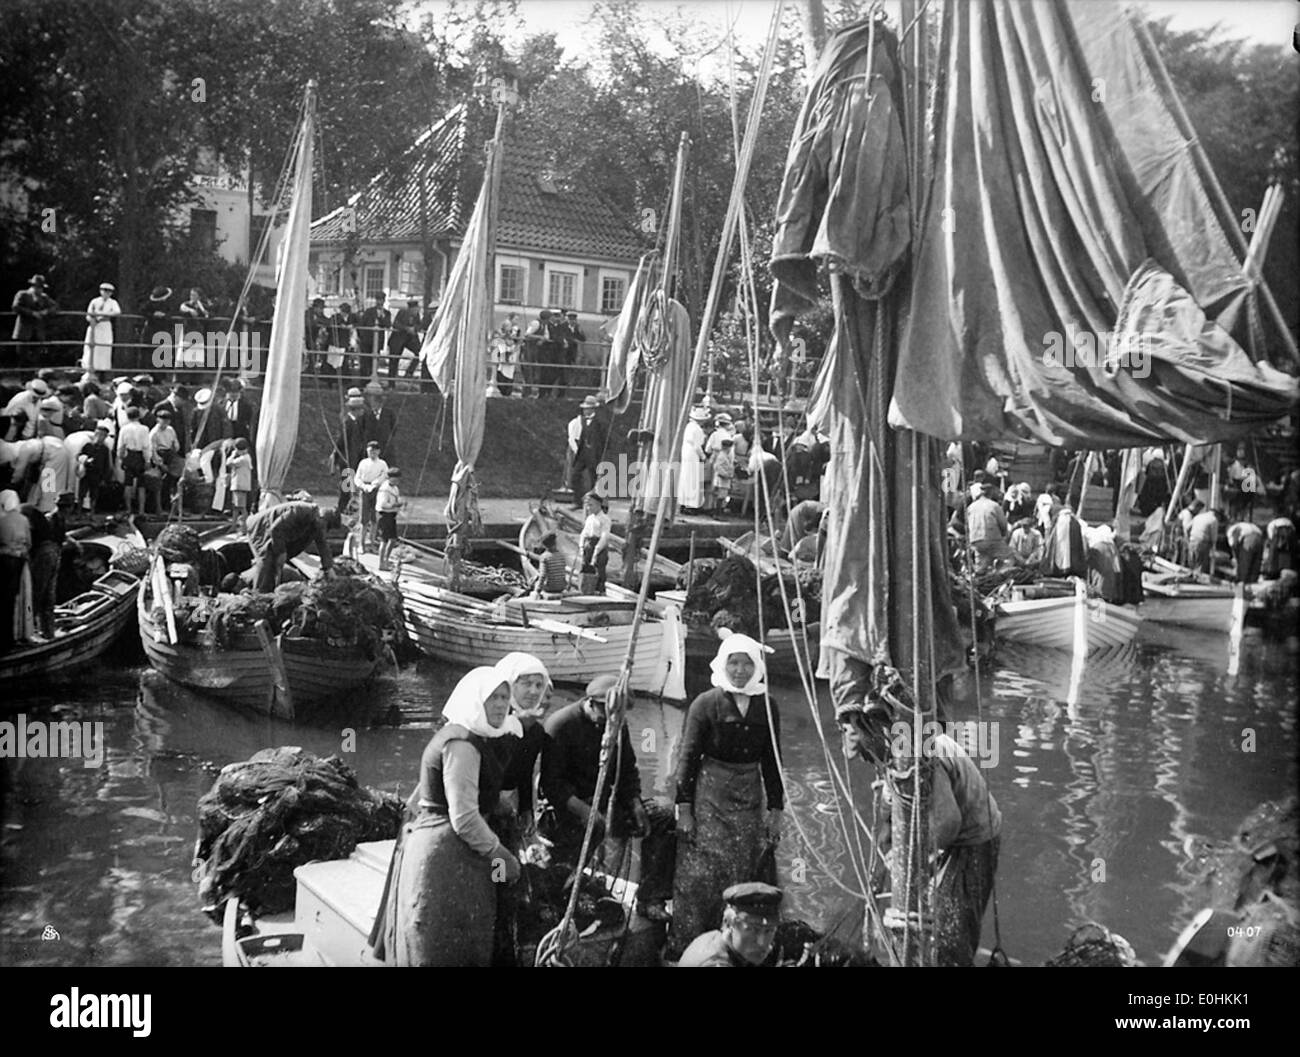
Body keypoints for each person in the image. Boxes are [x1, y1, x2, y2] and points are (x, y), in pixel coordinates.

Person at [837, 688, 1001, 967]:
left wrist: (912, 866)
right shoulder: (892, 747)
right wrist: (885, 852)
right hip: (939, 836)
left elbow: (948, 823)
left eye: (862, 743)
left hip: (970, 839)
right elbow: (892, 810)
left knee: (950, 932)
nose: (863, 756)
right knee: (927, 919)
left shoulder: (920, 756)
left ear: (876, 732)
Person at [375, 666, 523, 966]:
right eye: (491, 697)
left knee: (467, 934)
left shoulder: (474, 734)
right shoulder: (462, 744)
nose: (499, 704)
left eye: (504, 697)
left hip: (460, 848)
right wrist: (503, 856)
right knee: (440, 942)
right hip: (444, 852)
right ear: (475, 699)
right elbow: (464, 818)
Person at [670, 633, 784, 957]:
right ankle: (688, 947)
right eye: (733, 662)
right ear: (722, 663)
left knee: (741, 869)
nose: (739, 669)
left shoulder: (767, 704)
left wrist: (776, 811)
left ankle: (737, 948)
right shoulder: (705, 703)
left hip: (749, 797)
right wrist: (685, 810)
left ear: (757, 666)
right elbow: (688, 759)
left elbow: (773, 762)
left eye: (747, 663)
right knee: (700, 876)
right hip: (710, 795)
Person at [540, 674, 675, 921]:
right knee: (575, 846)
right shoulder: (561, 724)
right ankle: (567, 892)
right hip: (568, 808)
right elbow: (552, 785)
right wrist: (585, 812)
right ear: (591, 703)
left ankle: (651, 896)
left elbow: (627, 770)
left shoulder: (617, 724)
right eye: (608, 714)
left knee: (664, 817)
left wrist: (635, 803)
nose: (614, 720)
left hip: (607, 802)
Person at [677, 882, 784, 967]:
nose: (762, 942)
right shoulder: (713, 963)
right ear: (728, 924)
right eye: (752, 930)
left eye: (769, 931)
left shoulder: (715, 938)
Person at [245, 500, 335, 592]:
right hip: (260, 527)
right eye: (325, 525)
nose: (323, 529)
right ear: (322, 517)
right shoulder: (301, 511)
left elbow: (323, 545)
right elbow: (276, 529)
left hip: (275, 531)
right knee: (267, 559)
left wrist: (328, 568)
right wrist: (281, 551)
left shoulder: (318, 525)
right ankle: (258, 595)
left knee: (275, 564)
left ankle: (268, 590)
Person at [21, 501, 59, 640]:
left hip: (43, 554)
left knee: (35, 595)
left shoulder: (23, 515)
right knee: (47, 599)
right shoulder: (30, 511)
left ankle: (27, 635)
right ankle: (48, 634)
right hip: (52, 551)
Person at [0, 489, 31, 652]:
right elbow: (29, 542)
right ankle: (11, 639)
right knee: (12, 599)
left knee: (4, 601)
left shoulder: (1, 520)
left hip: (4, 560)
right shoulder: (23, 520)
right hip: (19, 561)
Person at [10, 275, 58, 369]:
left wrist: (46, 312)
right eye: (38, 287)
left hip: (37, 332)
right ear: (33, 286)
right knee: (23, 357)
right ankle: (24, 379)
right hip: (24, 331)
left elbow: (55, 306)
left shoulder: (44, 297)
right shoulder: (22, 294)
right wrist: (32, 313)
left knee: (36, 357)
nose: (40, 290)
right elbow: (15, 307)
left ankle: (33, 377)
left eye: (41, 288)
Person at [566, 395, 606, 505]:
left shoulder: (599, 422)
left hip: (594, 454)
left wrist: (600, 454)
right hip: (582, 453)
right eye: (584, 408)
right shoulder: (582, 421)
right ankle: (577, 501)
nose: (584, 410)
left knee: (594, 479)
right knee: (574, 476)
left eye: (587, 408)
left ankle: (596, 502)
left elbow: (603, 439)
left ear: (592, 409)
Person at [116, 406, 152, 515]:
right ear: (139, 416)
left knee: (128, 483)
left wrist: (121, 458)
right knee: (141, 485)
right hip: (140, 456)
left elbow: (120, 446)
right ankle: (141, 510)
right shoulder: (144, 429)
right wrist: (147, 460)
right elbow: (147, 446)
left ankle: (128, 509)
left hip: (129, 455)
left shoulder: (124, 429)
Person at [354, 440, 388, 552]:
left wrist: (375, 483)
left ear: (378, 452)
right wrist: (363, 486)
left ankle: (372, 544)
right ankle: (361, 544)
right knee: (364, 519)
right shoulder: (363, 463)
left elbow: (384, 476)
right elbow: (357, 477)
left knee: (375, 519)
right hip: (365, 490)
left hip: (377, 491)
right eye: (369, 452)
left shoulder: (382, 464)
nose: (371, 454)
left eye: (373, 452)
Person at [82, 282, 120, 375]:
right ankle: (89, 369)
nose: (106, 293)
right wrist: (92, 320)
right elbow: (88, 314)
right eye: (104, 291)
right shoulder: (94, 301)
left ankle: (102, 371)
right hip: (95, 326)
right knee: (91, 347)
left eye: (109, 292)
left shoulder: (113, 302)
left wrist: (104, 315)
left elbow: (117, 312)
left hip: (105, 326)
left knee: (104, 347)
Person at [150, 408, 182, 514]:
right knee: (160, 483)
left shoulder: (170, 430)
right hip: (160, 456)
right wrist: (160, 463)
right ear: (158, 420)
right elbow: (152, 450)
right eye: (163, 420)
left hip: (170, 455)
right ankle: (160, 508)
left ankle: (172, 507)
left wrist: (175, 449)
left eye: (167, 420)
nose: (165, 423)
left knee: (173, 481)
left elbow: (175, 443)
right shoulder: (154, 433)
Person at [578, 490, 611, 593]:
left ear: (598, 504)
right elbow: (584, 533)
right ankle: (586, 589)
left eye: (591, 505)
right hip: (589, 544)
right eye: (588, 505)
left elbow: (605, 535)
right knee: (585, 566)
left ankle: (600, 590)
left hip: (599, 544)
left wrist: (597, 549)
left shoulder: (605, 519)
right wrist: (581, 546)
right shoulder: (589, 518)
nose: (589, 508)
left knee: (599, 568)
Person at [77, 422, 112, 513]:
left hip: (97, 475)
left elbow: (106, 464)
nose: (100, 437)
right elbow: (79, 456)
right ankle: (79, 512)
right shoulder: (88, 446)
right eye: (98, 434)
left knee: (94, 495)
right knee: (82, 494)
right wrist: (86, 460)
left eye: (103, 435)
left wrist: (105, 478)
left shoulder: (105, 449)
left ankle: (92, 513)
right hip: (86, 473)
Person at [357, 292, 391, 383]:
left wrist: (382, 317)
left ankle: (373, 380)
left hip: (378, 341)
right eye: (378, 300)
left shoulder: (387, 313)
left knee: (374, 362)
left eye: (381, 300)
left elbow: (388, 325)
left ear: (384, 301)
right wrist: (362, 337)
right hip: (367, 340)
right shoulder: (369, 311)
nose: (380, 302)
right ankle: (363, 382)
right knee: (365, 362)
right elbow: (361, 324)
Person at [680, 406, 709, 512]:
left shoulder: (689, 426)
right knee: (693, 479)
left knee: (685, 477)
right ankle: (690, 505)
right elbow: (697, 446)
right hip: (692, 454)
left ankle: (683, 503)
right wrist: (703, 456)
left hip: (685, 452)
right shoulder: (698, 430)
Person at [387, 298, 423, 383]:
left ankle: (409, 372)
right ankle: (391, 383)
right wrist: (406, 328)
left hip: (410, 339)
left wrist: (414, 328)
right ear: (410, 308)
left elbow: (419, 325)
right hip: (398, 339)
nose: (417, 310)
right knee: (394, 361)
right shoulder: (402, 312)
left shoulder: (416, 315)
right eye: (415, 308)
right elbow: (395, 324)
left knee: (420, 353)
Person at [376, 467, 403, 571]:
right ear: (389, 478)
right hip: (384, 516)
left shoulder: (395, 488)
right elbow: (383, 505)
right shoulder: (385, 489)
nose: (397, 481)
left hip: (392, 516)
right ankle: (381, 563)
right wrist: (395, 504)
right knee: (384, 540)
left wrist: (400, 505)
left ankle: (386, 560)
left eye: (398, 479)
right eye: (394, 478)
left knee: (393, 539)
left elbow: (396, 499)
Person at [363, 381, 398, 464]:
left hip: (387, 451)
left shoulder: (389, 414)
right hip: (370, 452)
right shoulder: (366, 415)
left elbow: (394, 428)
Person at [224, 438, 253, 530]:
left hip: (239, 485)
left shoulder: (242, 459)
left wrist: (233, 454)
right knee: (236, 507)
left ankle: (245, 527)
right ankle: (233, 525)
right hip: (238, 485)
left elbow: (228, 463)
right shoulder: (247, 458)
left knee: (242, 508)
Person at [532, 530, 569, 597]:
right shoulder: (561, 555)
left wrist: (538, 590)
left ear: (544, 545)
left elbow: (543, 575)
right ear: (555, 542)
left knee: (535, 582)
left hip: (550, 588)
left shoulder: (544, 557)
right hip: (561, 587)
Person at [1227, 519, 1264, 584]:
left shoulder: (1231, 530)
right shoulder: (1245, 525)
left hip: (1249, 537)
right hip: (1260, 537)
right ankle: (1253, 582)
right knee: (1256, 563)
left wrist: (1235, 557)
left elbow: (1233, 544)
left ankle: (1242, 583)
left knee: (1244, 562)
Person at [1188, 506, 1221, 574]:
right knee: (1201, 562)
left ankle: (1191, 574)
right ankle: (1198, 577)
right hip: (1202, 542)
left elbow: (1187, 527)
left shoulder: (1198, 516)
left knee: (1192, 561)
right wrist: (1213, 546)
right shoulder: (1214, 520)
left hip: (1192, 540)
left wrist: (1189, 536)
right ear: (1217, 514)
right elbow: (1214, 536)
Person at [711, 435, 736, 515]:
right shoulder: (722, 456)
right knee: (720, 497)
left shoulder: (725, 455)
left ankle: (718, 513)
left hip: (724, 480)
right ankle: (717, 513)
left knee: (722, 496)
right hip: (722, 480)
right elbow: (718, 467)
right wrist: (726, 475)